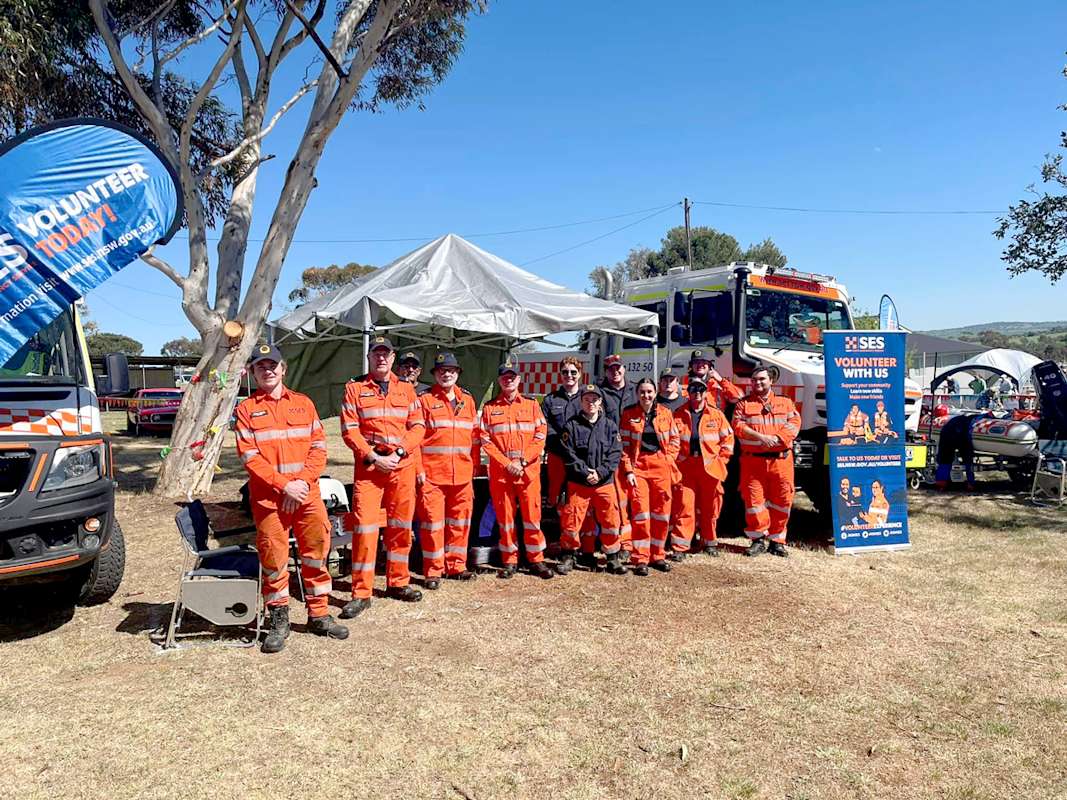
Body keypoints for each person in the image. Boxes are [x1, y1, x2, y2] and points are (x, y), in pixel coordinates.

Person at [234, 344, 348, 653]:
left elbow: (319, 448)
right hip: (269, 500)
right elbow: (250, 458)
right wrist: (285, 486)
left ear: (283, 369)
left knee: (316, 555)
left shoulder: (304, 404)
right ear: (253, 373)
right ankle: (278, 621)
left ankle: (319, 615)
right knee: (274, 561)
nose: (267, 371)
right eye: (260, 366)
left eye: (273, 365)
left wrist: (301, 484)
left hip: (307, 496)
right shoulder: (245, 410)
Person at [339, 336, 426, 619]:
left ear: (392, 358)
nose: (380, 358)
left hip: (402, 466)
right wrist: (374, 457)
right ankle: (361, 593)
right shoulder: (355, 389)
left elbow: (418, 427)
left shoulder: (407, 390)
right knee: (365, 528)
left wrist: (399, 453)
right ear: (369, 358)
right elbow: (349, 430)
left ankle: (398, 582)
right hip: (370, 468)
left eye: (385, 354)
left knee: (400, 526)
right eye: (375, 354)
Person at [478, 358, 554, 580]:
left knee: (532, 517)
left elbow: (540, 436)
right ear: (499, 380)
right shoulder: (490, 408)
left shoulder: (532, 405)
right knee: (505, 519)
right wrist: (507, 463)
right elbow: (485, 440)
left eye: (512, 377)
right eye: (504, 377)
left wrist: (522, 461)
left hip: (527, 473)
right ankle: (509, 560)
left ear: (519, 379)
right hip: (502, 474)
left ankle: (536, 559)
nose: (508, 380)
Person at [415, 352, 479, 589]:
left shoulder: (468, 400)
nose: (446, 374)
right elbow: (415, 439)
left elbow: (474, 438)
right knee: (432, 524)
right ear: (435, 374)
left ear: (457, 373)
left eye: (451, 370)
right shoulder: (424, 400)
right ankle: (433, 570)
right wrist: (419, 469)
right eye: (442, 371)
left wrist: (474, 467)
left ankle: (456, 566)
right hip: (432, 475)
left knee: (460, 522)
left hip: (462, 474)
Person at [732, 364, 801, 557]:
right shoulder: (743, 404)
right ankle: (758, 540)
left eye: (762, 379)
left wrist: (777, 439)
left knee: (783, 500)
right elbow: (737, 426)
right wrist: (761, 438)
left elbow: (794, 423)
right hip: (753, 462)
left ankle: (777, 541)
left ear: (771, 381)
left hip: (781, 461)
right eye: (754, 380)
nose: (758, 383)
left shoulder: (785, 402)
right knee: (754, 501)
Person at [556, 384, 626, 575]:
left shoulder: (610, 426)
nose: (591, 403)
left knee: (611, 520)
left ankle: (612, 558)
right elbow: (568, 454)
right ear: (581, 402)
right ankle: (568, 556)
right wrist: (585, 472)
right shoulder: (571, 426)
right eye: (587, 399)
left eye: (594, 399)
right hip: (579, 482)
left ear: (600, 401)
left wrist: (600, 473)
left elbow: (615, 453)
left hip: (604, 483)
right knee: (571, 521)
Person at [619, 377, 680, 576]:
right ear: (637, 394)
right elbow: (623, 446)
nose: (646, 395)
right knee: (640, 513)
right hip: (638, 466)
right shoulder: (629, 414)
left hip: (661, 465)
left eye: (649, 392)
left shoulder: (665, 412)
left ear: (655, 393)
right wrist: (628, 470)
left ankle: (658, 555)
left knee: (661, 513)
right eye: (642, 392)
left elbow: (675, 439)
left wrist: (668, 460)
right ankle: (640, 558)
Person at [670, 379, 734, 558]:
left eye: (701, 389)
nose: (697, 392)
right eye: (693, 389)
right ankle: (680, 547)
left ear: (706, 393)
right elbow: (670, 441)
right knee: (684, 506)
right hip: (686, 467)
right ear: (688, 392)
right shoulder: (678, 414)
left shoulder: (716, 414)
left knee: (710, 507)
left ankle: (709, 542)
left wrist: (721, 461)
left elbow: (728, 440)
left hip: (710, 467)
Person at [593, 353, 636, 558]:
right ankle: (619, 543)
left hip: (632, 453)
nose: (615, 372)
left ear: (624, 369)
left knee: (632, 500)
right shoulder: (600, 392)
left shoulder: (635, 390)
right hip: (609, 454)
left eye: (618, 368)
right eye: (611, 369)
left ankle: (629, 543)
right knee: (615, 502)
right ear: (606, 372)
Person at [541, 356, 585, 509]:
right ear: (560, 374)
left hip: (581, 455)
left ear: (580, 374)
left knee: (579, 495)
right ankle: (558, 521)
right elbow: (544, 425)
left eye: (573, 372)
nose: (569, 375)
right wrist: (560, 443)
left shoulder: (587, 398)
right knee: (555, 495)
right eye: (565, 372)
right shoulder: (551, 400)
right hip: (557, 454)